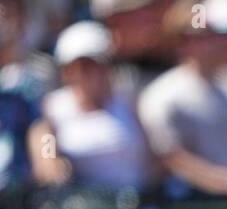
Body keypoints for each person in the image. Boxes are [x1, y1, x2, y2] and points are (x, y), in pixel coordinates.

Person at [137, 0, 227, 196]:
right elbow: (171, 158)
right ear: (181, 43)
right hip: (189, 202)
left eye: (214, 34)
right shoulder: (162, 96)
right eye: (201, 36)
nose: (212, 42)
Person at [29, 20, 153, 191]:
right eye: (78, 67)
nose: (87, 73)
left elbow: (155, 152)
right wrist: (50, 160)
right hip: (84, 208)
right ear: (66, 72)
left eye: (93, 65)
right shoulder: (55, 107)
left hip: (137, 200)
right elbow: (43, 137)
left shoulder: (129, 99)